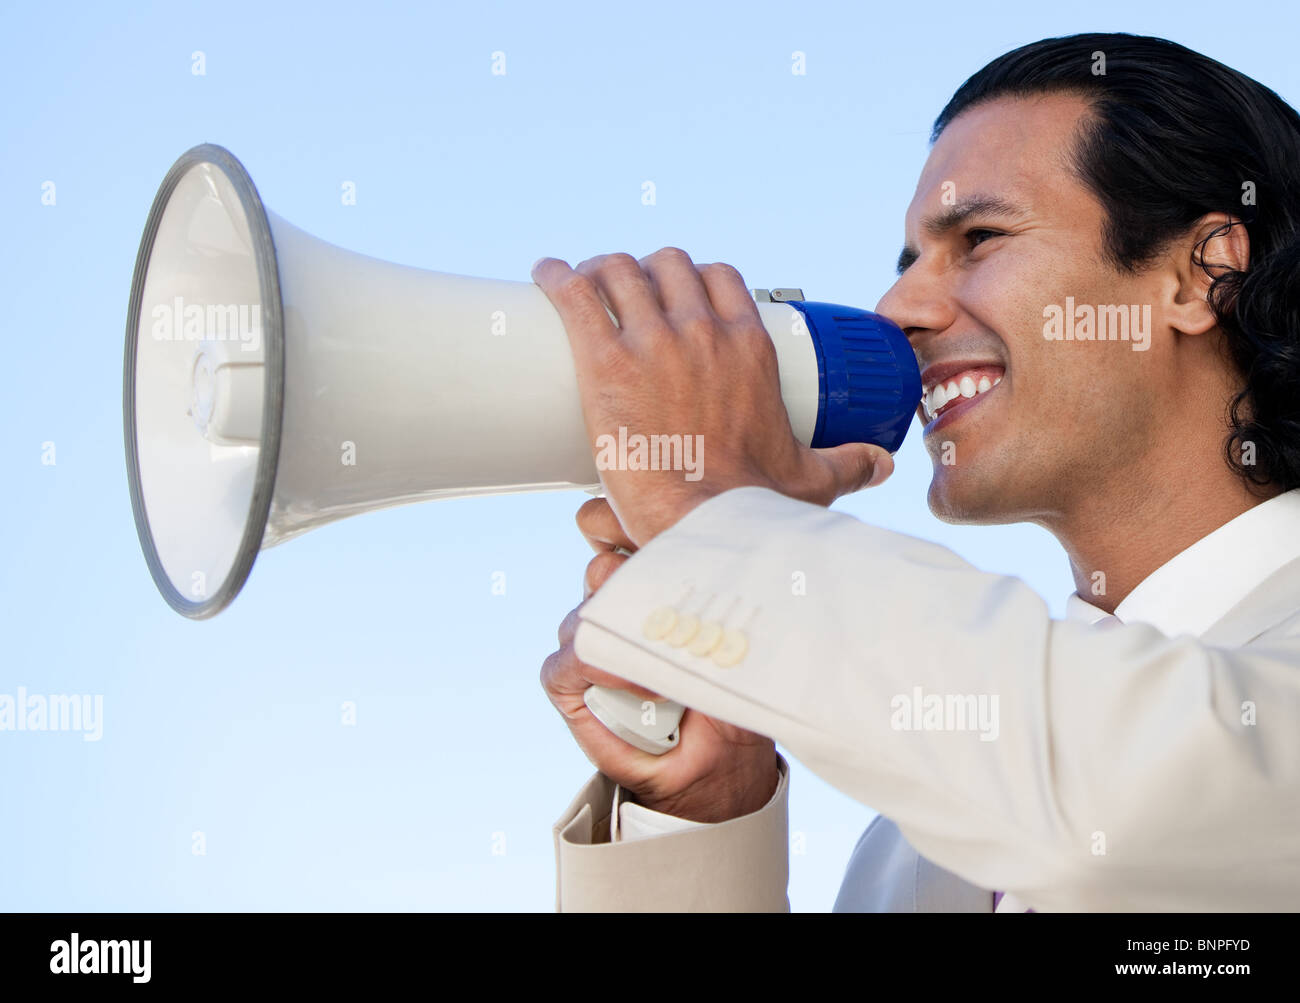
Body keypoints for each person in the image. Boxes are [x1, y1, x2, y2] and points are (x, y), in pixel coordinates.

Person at [533, 32, 1300, 911]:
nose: (897, 308)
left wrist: (714, 522)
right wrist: (708, 809)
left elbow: (1141, 807)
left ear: (1202, 272)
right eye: (906, 265)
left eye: (978, 238)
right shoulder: (916, 848)